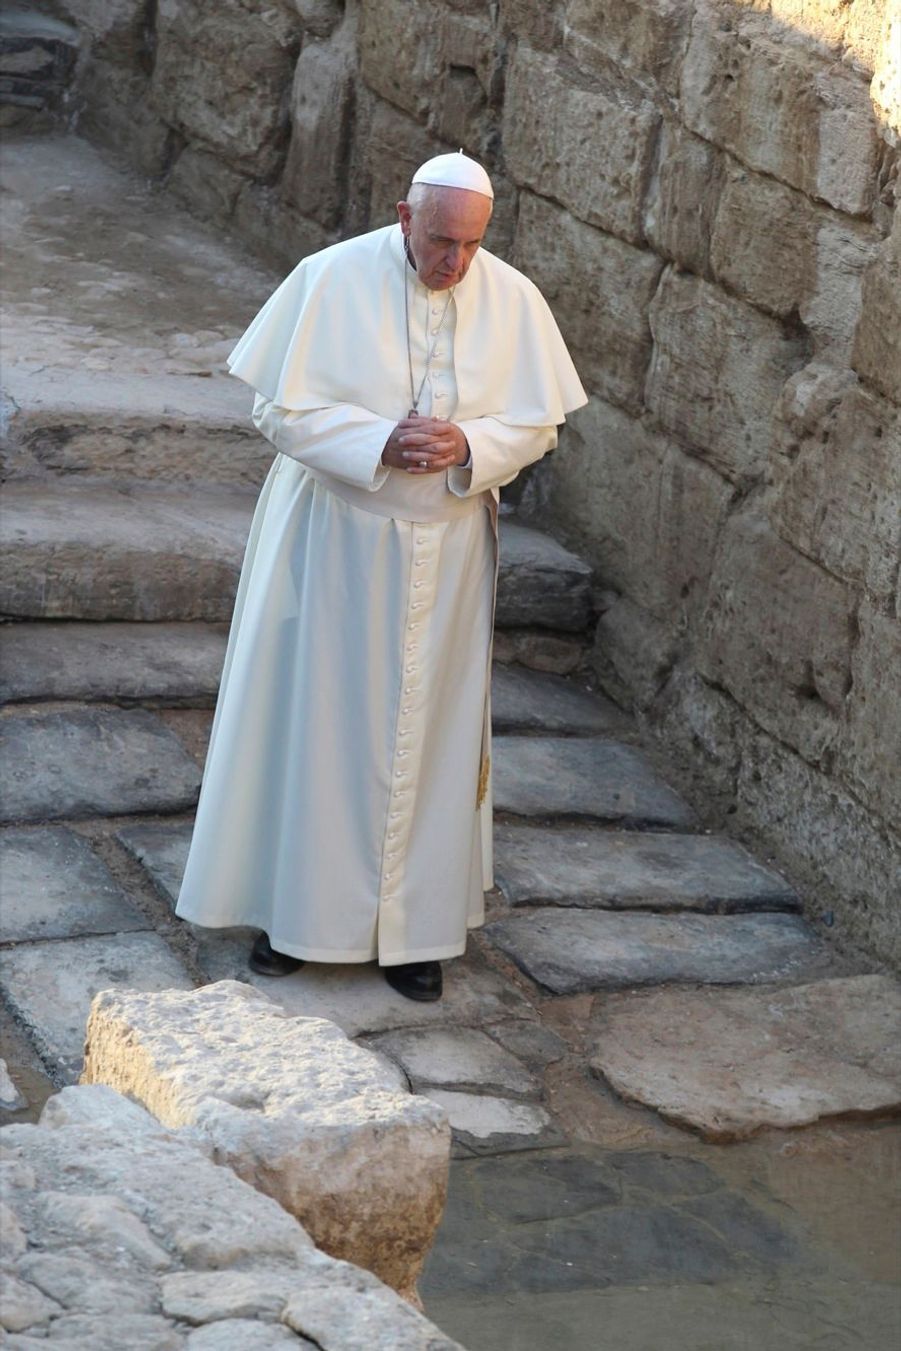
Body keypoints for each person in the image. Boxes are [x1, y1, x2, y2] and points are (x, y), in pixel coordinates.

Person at [175, 152, 586, 1001]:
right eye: (440, 242)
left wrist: (471, 445)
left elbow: (536, 423)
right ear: (405, 216)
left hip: (448, 551)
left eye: (470, 247)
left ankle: (413, 934)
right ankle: (291, 920)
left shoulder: (511, 298)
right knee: (315, 725)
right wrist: (376, 443)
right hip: (335, 542)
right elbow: (276, 407)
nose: (454, 265)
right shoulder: (327, 278)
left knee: (428, 739)